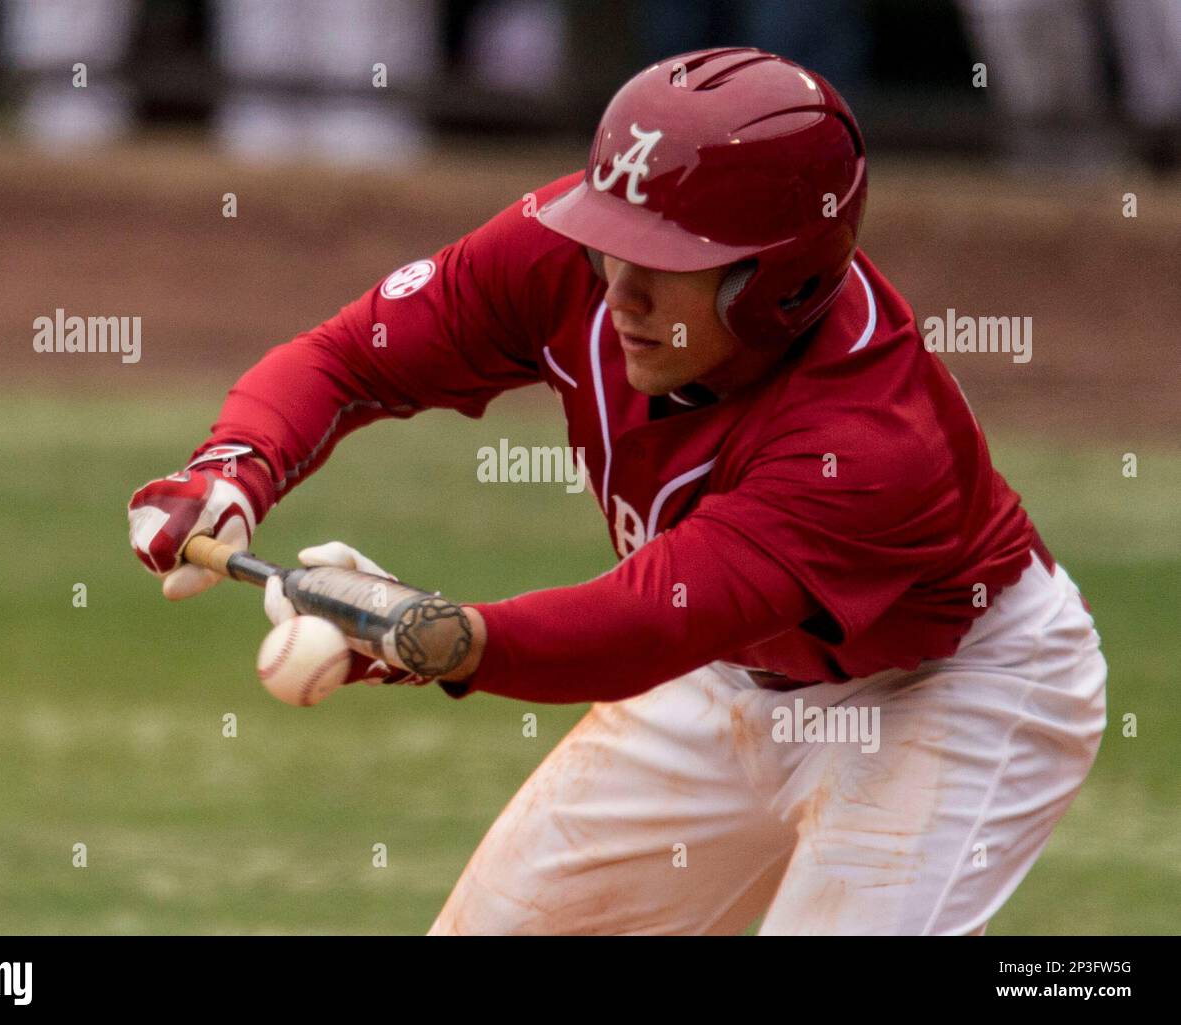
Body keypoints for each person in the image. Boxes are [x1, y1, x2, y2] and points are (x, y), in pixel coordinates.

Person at [128, 48, 1107, 935]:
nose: (617, 285)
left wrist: (437, 636)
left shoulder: (866, 441)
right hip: (733, 673)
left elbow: (646, 623)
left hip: (949, 687)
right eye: (610, 238)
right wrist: (233, 467)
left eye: (665, 263)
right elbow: (347, 359)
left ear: (778, 283)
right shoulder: (569, 253)